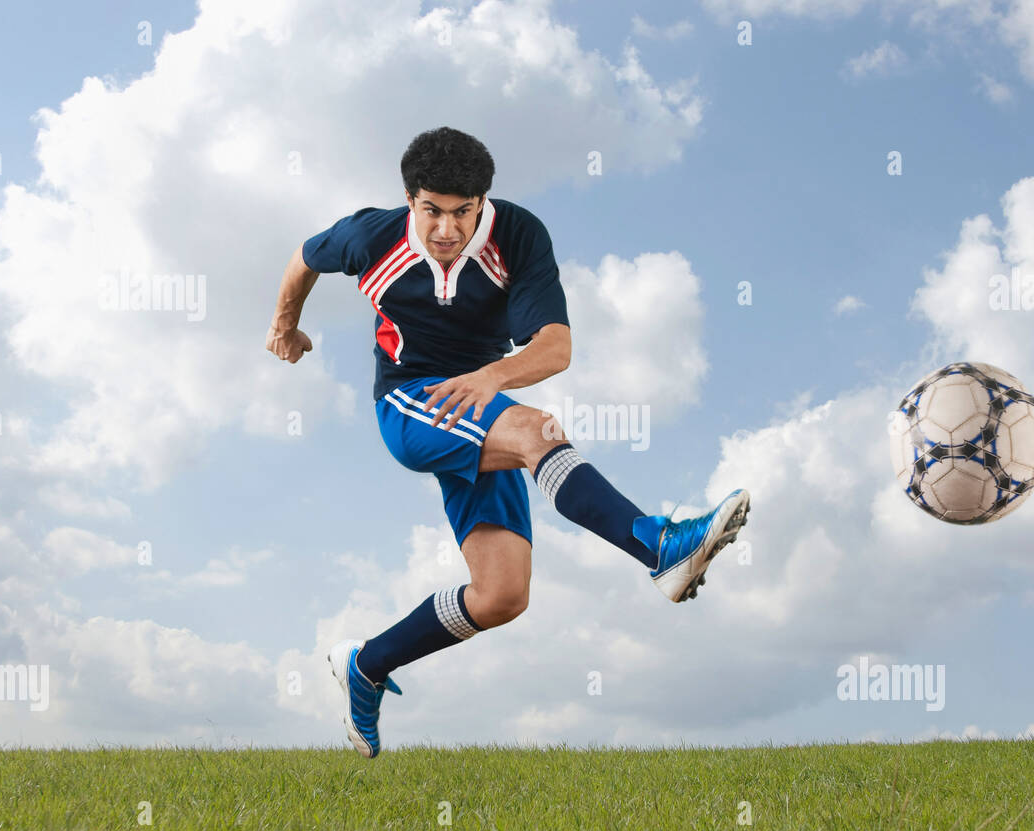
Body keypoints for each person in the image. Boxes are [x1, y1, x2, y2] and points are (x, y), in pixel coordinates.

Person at [267, 127, 750, 757]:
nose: (445, 229)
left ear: (482, 203)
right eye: (431, 210)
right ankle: (659, 546)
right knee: (536, 430)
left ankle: (366, 665)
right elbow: (306, 256)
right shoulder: (370, 237)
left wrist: (490, 377)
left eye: (461, 212)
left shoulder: (518, 235)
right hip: (410, 401)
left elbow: (556, 345)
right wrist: (285, 326)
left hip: (478, 402)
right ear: (410, 200)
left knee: (501, 595)